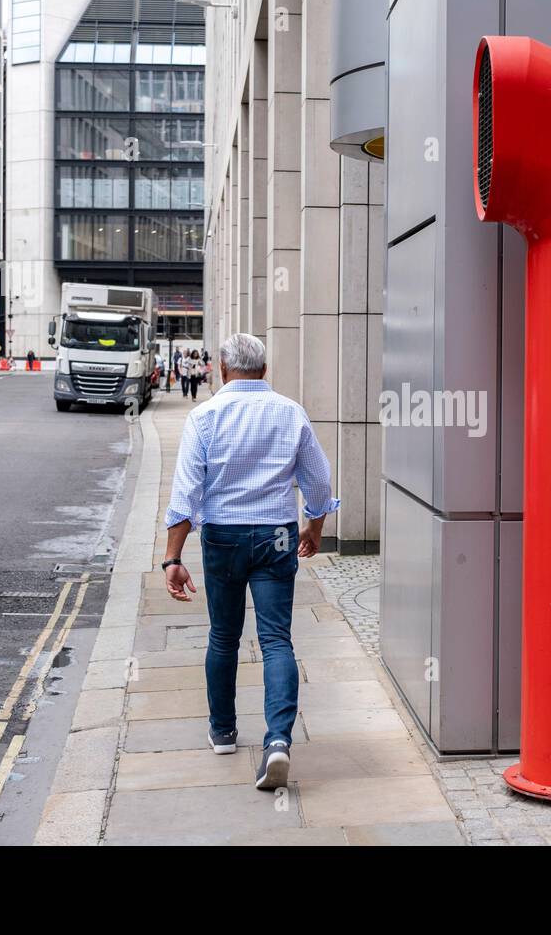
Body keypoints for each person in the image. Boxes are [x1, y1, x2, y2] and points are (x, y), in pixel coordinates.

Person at [162, 333, 338, 790]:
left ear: (221, 369)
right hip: (277, 537)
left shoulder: (204, 417)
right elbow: (318, 483)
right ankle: (277, 741)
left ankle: (222, 731)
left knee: (224, 636)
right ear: (263, 370)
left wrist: (172, 558)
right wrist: (313, 529)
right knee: (277, 639)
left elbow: (186, 494)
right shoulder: (290, 412)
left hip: (222, 538)